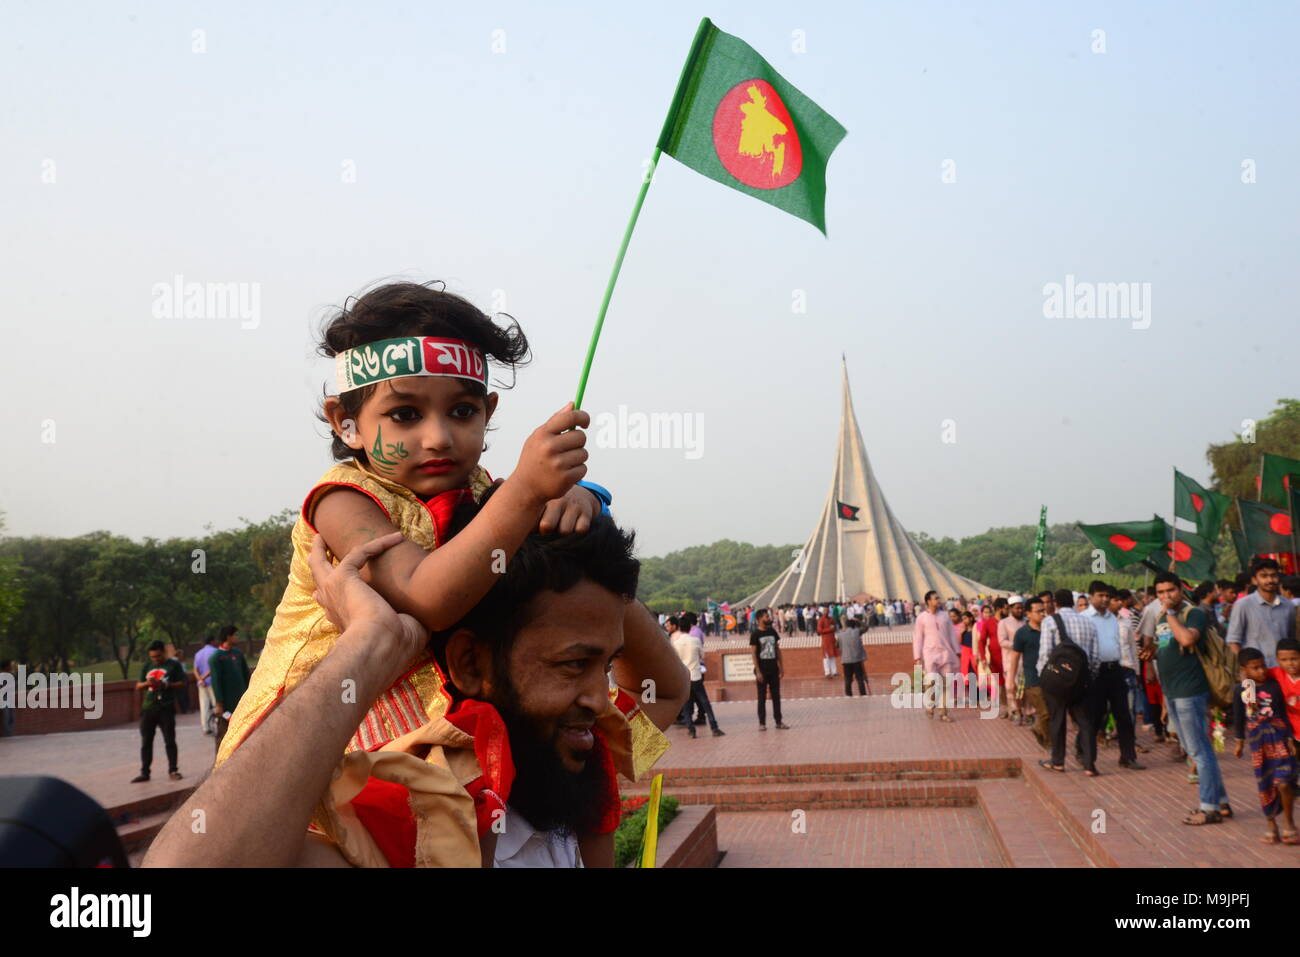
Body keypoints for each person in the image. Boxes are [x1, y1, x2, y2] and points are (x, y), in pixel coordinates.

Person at [214, 284, 663, 779]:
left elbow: (525, 517)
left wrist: (578, 496)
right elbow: (425, 596)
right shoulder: (342, 500)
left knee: (577, 792)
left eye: (462, 411)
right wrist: (526, 493)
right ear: (346, 423)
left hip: (435, 727)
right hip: (321, 735)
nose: (439, 437)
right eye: (405, 415)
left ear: (488, 412)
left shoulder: (482, 491)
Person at [145, 518, 688, 868]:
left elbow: (667, 686)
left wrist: (571, 544)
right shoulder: (410, 822)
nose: (601, 699)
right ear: (472, 664)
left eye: (608, 665)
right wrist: (370, 642)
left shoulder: (574, 758)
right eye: (574, 664)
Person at [1146, 571, 1231, 824]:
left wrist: (1171, 613)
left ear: (1180, 590)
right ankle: (1222, 802)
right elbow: (1166, 651)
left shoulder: (1192, 613)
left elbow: (1186, 638)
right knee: (1196, 750)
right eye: (1160, 593)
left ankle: (1209, 808)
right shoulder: (1161, 616)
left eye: (1170, 591)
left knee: (1199, 750)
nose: (1166, 596)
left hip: (1190, 691)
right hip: (1172, 691)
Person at [1232, 648, 1298, 844]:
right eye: (1255, 668)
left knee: (1285, 781)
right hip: (1258, 742)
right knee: (1265, 784)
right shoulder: (1243, 689)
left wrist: (1289, 737)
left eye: (1263, 666)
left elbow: (1283, 712)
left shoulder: (1274, 685)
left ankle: (1289, 823)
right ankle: (1271, 825)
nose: (1262, 671)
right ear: (1244, 669)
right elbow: (1239, 716)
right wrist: (1239, 742)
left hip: (1278, 737)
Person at [1036, 588, 1101, 776]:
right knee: (1085, 721)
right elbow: (1095, 656)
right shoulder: (1088, 623)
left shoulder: (1050, 621)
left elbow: (1046, 653)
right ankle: (1089, 764)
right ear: (1072, 603)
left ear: (1055, 603)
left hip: (1057, 679)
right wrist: (1090, 676)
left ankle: (1058, 761)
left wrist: (1043, 677)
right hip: (1082, 679)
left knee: (1057, 719)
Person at [1082, 580, 1144, 770]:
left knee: (1124, 715)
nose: (1105, 599)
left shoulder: (1114, 618)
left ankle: (1128, 756)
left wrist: (1136, 669)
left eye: (1107, 596)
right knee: (1094, 717)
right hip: (1094, 672)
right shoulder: (1083, 618)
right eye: (1100, 595)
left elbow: (1127, 646)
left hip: (1116, 670)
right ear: (1091, 596)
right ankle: (1088, 758)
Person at [131, 641, 186, 783]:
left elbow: (182, 682)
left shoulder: (174, 665)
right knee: (146, 742)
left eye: (158, 656)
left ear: (164, 652)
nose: (155, 659)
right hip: (148, 708)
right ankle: (145, 772)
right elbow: (138, 685)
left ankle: (173, 770)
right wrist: (148, 683)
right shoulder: (147, 666)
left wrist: (166, 684)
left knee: (169, 741)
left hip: (166, 708)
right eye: (152, 657)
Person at [1227, 558, 1295, 667]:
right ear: (1254, 580)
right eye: (1264, 576)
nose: (1270, 580)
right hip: (1256, 672)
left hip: (1284, 671)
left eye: (1273, 575)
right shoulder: (1243, 605)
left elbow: (1291, 638)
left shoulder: (1288, 605)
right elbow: (1233, 642)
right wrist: (1246, 667)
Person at [669, 615, 724, 738]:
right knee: (705, 703)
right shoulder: (695, 640)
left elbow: (674, 661)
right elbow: (702, 656)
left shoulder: (675, 643)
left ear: (679, 628)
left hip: (684, 678)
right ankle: (714, 727)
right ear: (689, 627)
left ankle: (691, 730)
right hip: (696, 675)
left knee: (687, 706)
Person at [912, 590, 961, 722]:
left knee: (947, 683)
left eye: (939, 598)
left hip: (946, 652)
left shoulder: (945, 616)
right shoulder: (921, 617)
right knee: (931, 681)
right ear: (928, 601)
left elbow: (951, 634)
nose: (938, 601)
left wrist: (957, 651)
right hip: (929, 653)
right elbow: (918, 638)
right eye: (935, 599)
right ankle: (929, 705)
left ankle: (943, 712)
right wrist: (917, 657)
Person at [1010, 596, 1048, 748]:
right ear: (1028, 614)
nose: (1042, 614)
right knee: (1045, 713)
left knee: (1050, 713)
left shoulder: (1049, 630)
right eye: (1038, 611)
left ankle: (1041, 732)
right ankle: (1050, 746)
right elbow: (1015, 656)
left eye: (1043, 610)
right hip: (1032, 678)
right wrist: (1010, 680)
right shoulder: (1022, 633)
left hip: (1050, 677)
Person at [210, 626, 252, 751]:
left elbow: (246, 675)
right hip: (226, 704)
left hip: (242, 701)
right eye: (235, 635)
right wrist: (219, 703)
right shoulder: (216, 657)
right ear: (228, 637)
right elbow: (216, 682)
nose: (237, 638)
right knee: (224, 734)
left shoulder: (238, 654)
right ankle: (220, 765)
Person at [750, 609, 788, 730]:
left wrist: (781, 667)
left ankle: (779, 722)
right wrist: (758, 671)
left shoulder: (772, 631)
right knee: (762, 697)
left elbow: (777, 649)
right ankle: (762, 723)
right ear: (760, 619)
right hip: (762, 670)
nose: (769, 618)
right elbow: (754, 653)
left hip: (773, 669)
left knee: (776, 696)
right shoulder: (755, 634)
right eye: (766, 616)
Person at [997, 597, 1025, 721]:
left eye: (1021, 608)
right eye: (1017, 608)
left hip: (1025, 661)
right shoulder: (1003, 623)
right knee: (1010, 687)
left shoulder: (1027, 622)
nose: (1020, 610)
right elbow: (1002, 641)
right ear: (1011, 608)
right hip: (1010, 660)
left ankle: (1022, 709)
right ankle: (1014, 710)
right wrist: (1017, 645)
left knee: (1023, 688)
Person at [975, 604, 1004, 716]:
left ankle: (999, 703)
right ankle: (986, 699)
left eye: (988, 612)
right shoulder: (978, 625)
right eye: (985, 612)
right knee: (987, 678)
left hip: (996, 654)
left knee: (998, 680)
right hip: (985, 654)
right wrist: (977, 655)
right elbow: (977, 641)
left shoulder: (1002, 622)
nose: (987, 614)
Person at [193, 634, 219, 735]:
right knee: (216, 704)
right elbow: (213, 669)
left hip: (201, 684)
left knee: (204, 705)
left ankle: (206, 727)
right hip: (213, 682)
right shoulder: (215, 652)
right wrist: (204, 678)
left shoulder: (198, 653)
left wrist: (200, 679)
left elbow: (195, 669)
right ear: (212, 641)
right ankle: (217, 724)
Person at [837, 617, 868, 696]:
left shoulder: (840, 634)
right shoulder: (857, 632)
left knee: (848, 679)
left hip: (846, 660)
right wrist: (858, 620)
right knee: (860, 678)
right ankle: (863, 694)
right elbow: (866, 627)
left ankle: (848, 694)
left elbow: (837, 645)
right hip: (857, 659)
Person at [817, 608, 839, 679]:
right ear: (823, 612)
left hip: (832, 640)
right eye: (825, 611)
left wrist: (834, 627)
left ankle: (834, 671)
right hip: (826, 641)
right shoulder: (821, 620)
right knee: (826, 657)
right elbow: (819, 630)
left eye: (827, 611)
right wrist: (830, 629)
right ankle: (827, 672)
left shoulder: (831, 619)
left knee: (832, 656)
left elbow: (835, 627)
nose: (826, 612)